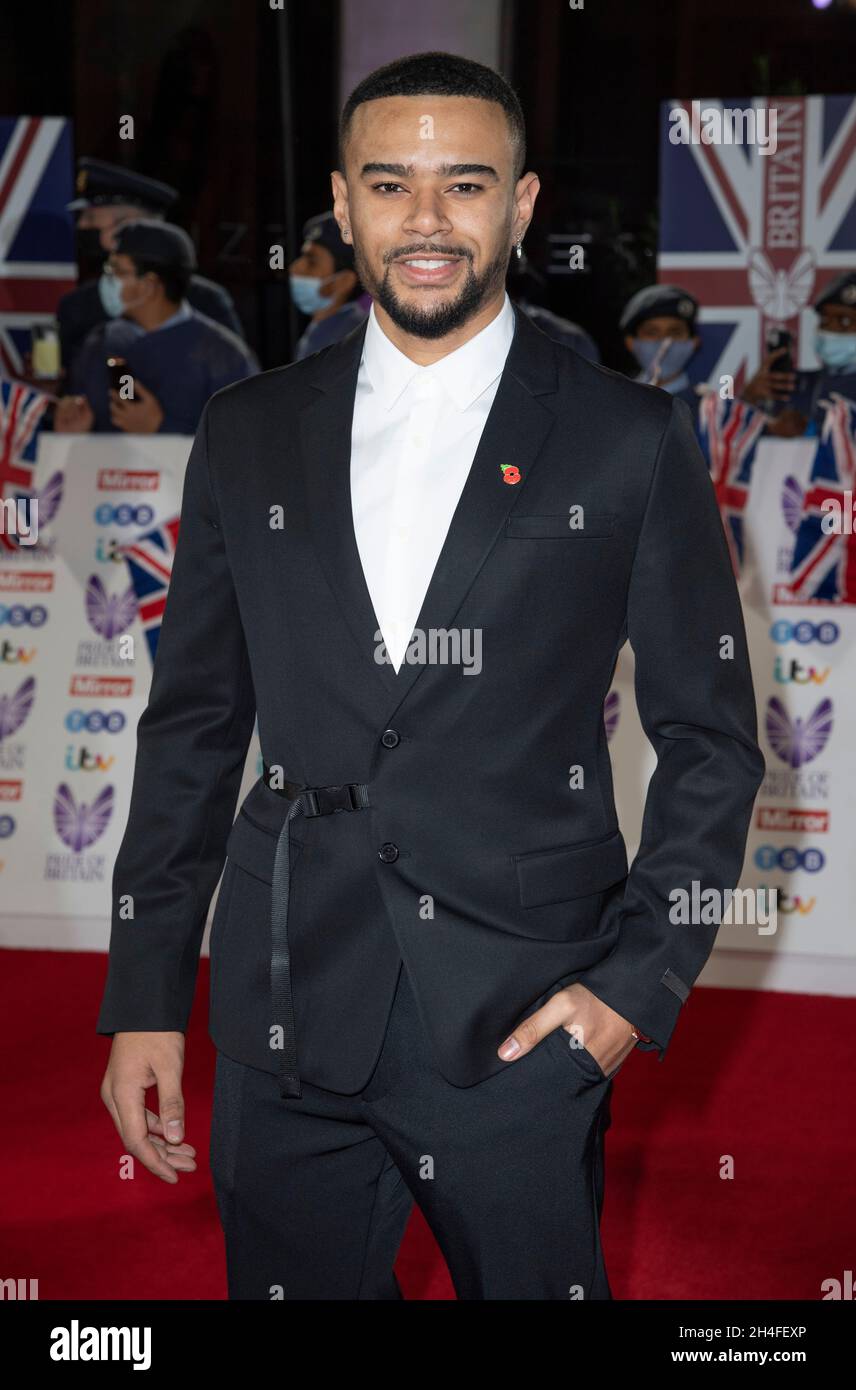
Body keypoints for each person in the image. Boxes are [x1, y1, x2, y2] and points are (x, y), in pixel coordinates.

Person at [96, 50, 764, 1301]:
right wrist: (145, 997)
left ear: (519, 206)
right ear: (342, 207)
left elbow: (712, 738)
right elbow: (191, 725)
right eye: (390, 185)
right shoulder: (248, 431)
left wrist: (631, 988)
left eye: (463, 184)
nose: (426, 221)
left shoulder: (628, 438)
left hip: (523, 1013)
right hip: (282, 1004)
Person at [55, 220, 258, 435]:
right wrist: (74, 430)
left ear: (150, 285)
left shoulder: (222, 355)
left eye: (118, 271)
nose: (107, 281)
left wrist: (160, 429)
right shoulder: (101, 341)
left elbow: (245, 440)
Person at [58, 157, 245, 381]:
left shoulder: (205, 303)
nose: (81, 226)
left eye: (91, 217)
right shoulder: (81, 313)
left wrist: (160, 418)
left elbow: (234, 391)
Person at [741, 270, 856, 436]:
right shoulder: (794, 383)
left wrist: (809, 431)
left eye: (845, 321)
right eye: (825, 321)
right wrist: (748, 400)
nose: (831, 330)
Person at [289, 210, 368, 359]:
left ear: (344, 281)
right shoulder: (326, 331)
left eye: (312, 262)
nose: (295, 268)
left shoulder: (342, 343)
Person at [620, 283, 702, 408]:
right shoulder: (613, 402)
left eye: (675, 332)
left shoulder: (712, 415)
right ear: (630, 342)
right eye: (652, 332)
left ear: (694, 342)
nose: (664, 342)